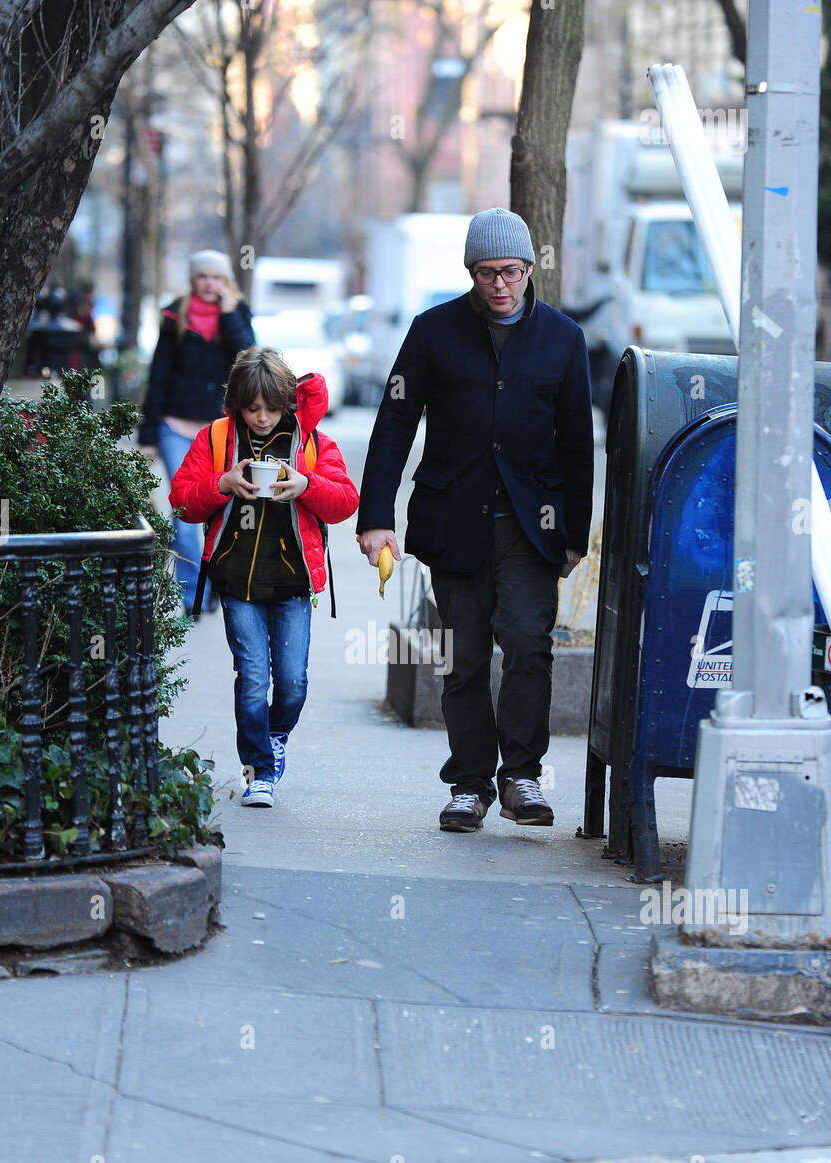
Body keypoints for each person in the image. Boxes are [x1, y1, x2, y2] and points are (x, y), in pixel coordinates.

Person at [356, 207, 594, 833]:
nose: (499, 285)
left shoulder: (564, 340)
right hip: (454, 518)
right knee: (462, 657)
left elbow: (577, 443)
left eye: (510, 272)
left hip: (530, 523)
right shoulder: (433, 332)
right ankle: (468, 784)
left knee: (527, 642)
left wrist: (575, 533)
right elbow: (394, 424)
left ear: (528, 269)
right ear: (471, 273)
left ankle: (521, 775)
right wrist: (375, 515)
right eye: (487, 273)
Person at [168, 347, 359, 807]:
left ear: (288, 403)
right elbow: (181, 501)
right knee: (252, 677)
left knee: (293, 682)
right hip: (236, 582)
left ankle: (274, 735)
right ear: (236, 403)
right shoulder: (215, 439)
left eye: (272, 408)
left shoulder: (311, 442)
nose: (262, 417)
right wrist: (222, 484)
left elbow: (346, 501)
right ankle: (259, 771)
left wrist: (306, 485)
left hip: (293, 584)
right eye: (252, 408)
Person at [139, 250, 255, 615]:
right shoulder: (174, 315)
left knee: (224, 510)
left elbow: (250, 358)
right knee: (186, 509)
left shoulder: (237, 314)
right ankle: (194, 596)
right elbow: (158, 376)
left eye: (217, 277)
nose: (210, 283)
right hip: (175, 427)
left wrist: (229, 313)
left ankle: (219, 580)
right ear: (193, 280)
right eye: (203, 276)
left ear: (226, 282)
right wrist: (147, 435)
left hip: (221, 430)